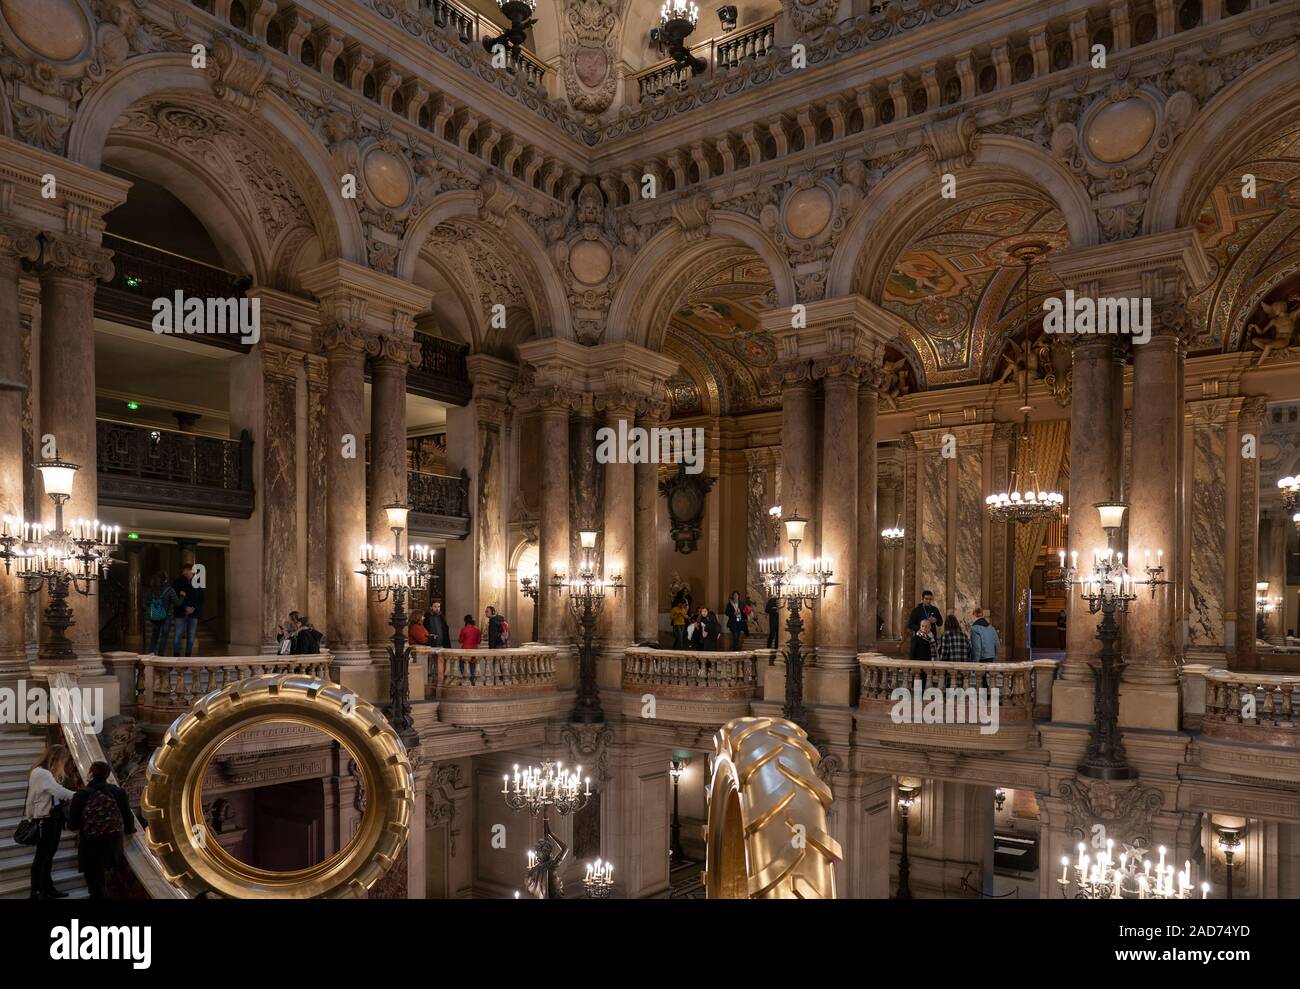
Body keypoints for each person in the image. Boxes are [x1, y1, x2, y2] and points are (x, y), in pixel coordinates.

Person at [66, 760, 135, 900]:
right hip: (113, 845)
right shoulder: (118, 792)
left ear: (90, 773)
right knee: (113, 882)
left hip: (91, 845)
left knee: (95, 884)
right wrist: (128, 831)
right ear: (107, 775)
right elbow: (128, 818)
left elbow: (72, 825)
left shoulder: (81, 795)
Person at [24, 745, 76, 898]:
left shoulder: (44, 772)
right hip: (46, 821)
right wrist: (79, 795)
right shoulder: (42, 773)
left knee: (48, 856)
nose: (63, 764)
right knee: (42, 857)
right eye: (63, 760)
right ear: (57, 758)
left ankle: (47, 888)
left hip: (52, 819)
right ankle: (36, 891)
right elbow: (59, 792)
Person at [170, 563, 204, 657]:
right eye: (184, 570)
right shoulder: (177, 582)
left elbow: (201, 598)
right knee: (178, 635)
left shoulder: (198, 582)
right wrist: (185, 607)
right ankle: (176, 655)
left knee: (191, 636)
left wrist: (194, 608)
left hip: (194, 613)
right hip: (180, 612)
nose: (185, 572)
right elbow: (175, 598)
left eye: (187, 570)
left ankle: (188, 655)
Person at [144, 572, 178, 656]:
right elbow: (177, 603)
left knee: (155, 634)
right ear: (165, 579)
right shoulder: (169, 590)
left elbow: (146, 603)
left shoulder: (151, 590)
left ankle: (151, 652)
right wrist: (182, 596)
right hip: (167, 615)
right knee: (164, 635)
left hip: (155, 616)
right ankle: (160, 654)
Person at [907, 590, 943, 660]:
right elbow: (910, 624)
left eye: (930, 599)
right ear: (922, 599)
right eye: (926, 599)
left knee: (931, 658)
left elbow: (940, 623)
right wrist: (922, 628)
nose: (928, 601)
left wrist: (936, 620)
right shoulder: (917, 610)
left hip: (932, 638)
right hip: (920, 639)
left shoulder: (935, 609)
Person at [459, 614, 481, 684]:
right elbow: (479, 641)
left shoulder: (464, 629)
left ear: (465, 621)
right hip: (474, 649)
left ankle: (464, 677)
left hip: (465, 649)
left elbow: (460, 641)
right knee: (472, 664)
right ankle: (472, 679)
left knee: (462, 663)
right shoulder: (477, 630)